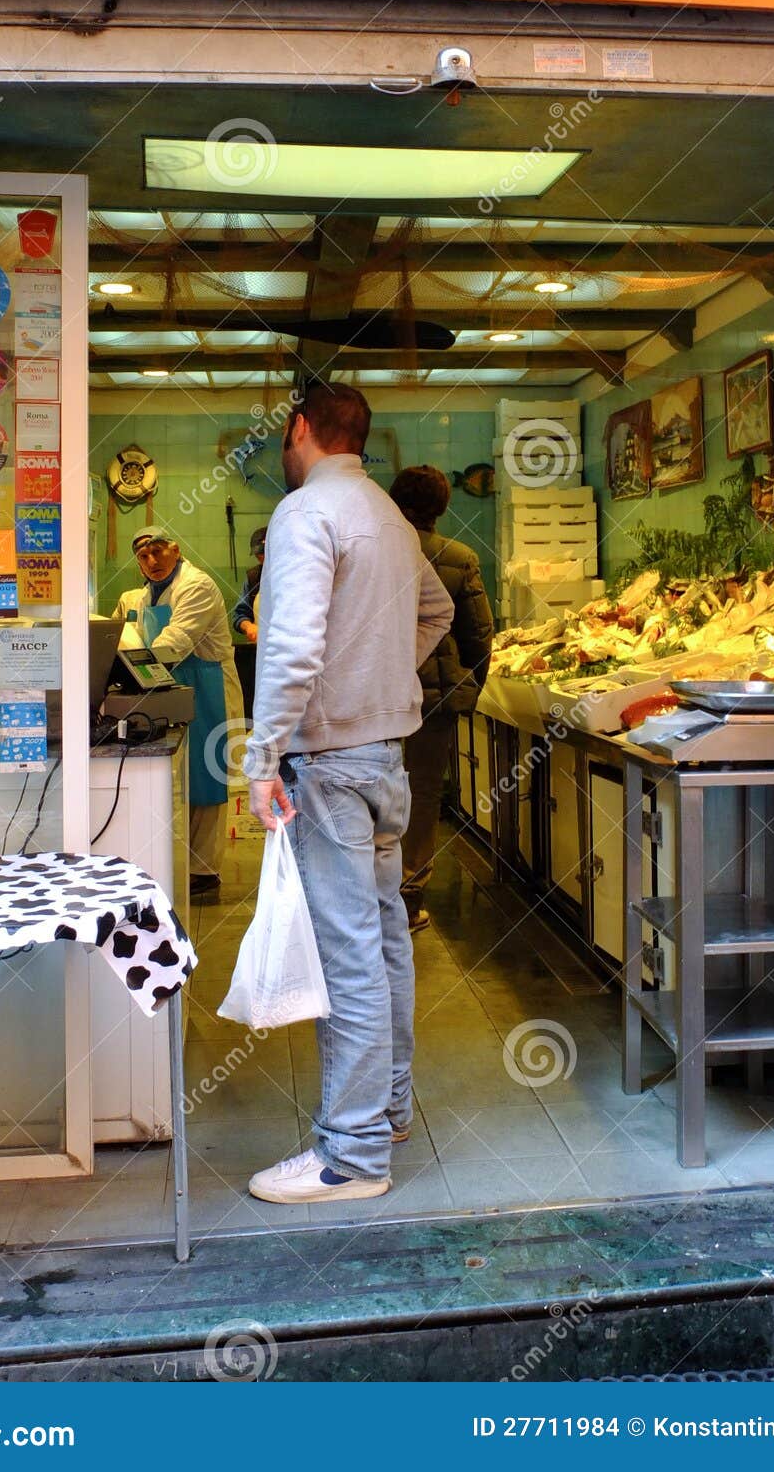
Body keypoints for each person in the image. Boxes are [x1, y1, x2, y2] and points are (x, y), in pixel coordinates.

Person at [242, 382, 454, 1204]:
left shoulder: (305, 512)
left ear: (300, 427)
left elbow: (292, 647)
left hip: (330, 764)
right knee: (385, 938)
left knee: (349, 954)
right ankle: (389, 1110)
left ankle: (353, 1156)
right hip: (386, 759)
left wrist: (262, 758)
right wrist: (379, 673)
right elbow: (435, 611)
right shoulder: (389, 515)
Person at [388, 465, 494, 933]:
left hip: (377, 697)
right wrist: (466, 686)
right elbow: (479, 634)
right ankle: (408, 899)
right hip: (434, 699)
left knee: (373, 788)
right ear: (443, 506)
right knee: (424, 791)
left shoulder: (376, 551)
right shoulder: (459, 557)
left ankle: (368, 898)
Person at [114, 525, 244, 894]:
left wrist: (134, 671)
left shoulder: (196, 585)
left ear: (175, 549)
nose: (151, 561)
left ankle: (204, 870)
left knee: (206, 776)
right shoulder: (142, 596)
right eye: (143, 556)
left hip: (208, 685)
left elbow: (176, 641)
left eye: (158, 551)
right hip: (168, 684)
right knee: (175, 777)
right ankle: (170, 864)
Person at [231, 525, 267, 643]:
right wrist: (249, 627)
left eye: (266, 553)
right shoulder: (253, 578)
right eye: (259, 556)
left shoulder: (297, 575)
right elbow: (239, 615)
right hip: (262, 648)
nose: (263, 559)